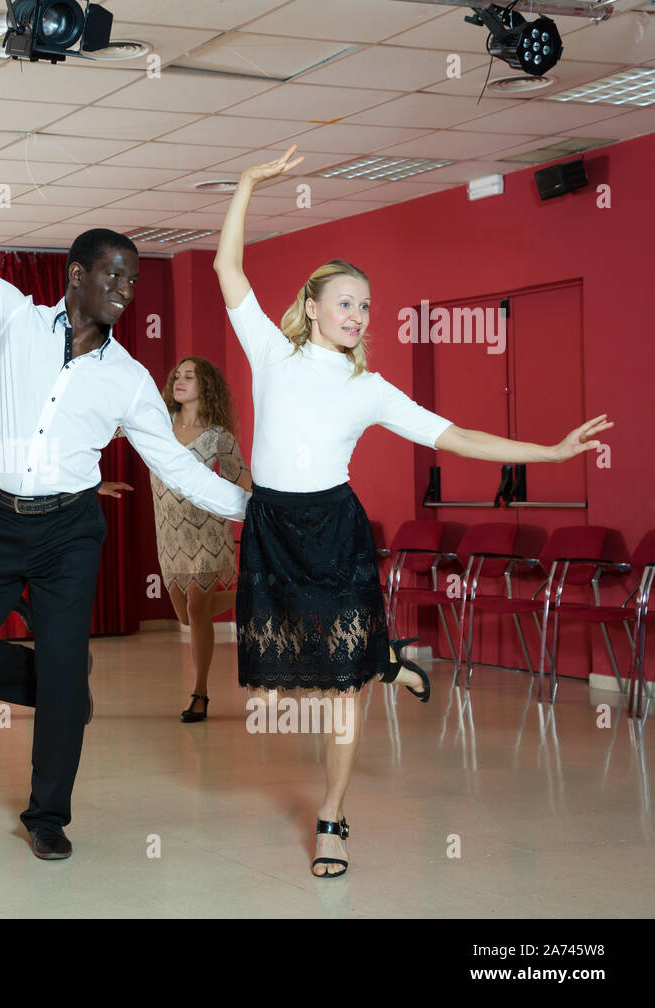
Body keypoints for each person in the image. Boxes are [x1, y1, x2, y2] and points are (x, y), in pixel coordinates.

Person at [216, 144, 614, 879]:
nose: (358, 315)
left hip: (333, 530)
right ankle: (385, 660)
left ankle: (333, 817)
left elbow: (456, 434)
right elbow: (226, 270)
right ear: (311, 307)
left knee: (337, 687)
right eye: (344, 302)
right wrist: (246, 182)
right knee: (293, 671)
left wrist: (551, 454)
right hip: (271, 527)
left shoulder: (372, 390)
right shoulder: (271, 354)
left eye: (366, 306)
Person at [0, 82, 249, 860]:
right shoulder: (10, 320)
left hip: (69, 530)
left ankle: (48, 814)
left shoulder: (130, 379)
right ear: (74, 275)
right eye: (115, 276)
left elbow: (176, 466)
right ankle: (64, 691)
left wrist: (249, 507)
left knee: (64, 662)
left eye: (134, 280)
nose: (127, 291)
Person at [150, 357, 251, 723]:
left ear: (204, 386)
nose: (180, 380)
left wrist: (276, 511)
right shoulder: (156, 427)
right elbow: (111, 432)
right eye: (177, 374)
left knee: (196, 610)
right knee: (187, 616)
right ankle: (252, 592)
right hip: (170, 537)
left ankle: (200, 693)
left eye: (189, 376)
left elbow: (243, 478)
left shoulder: (218, 436)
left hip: (207, 535)